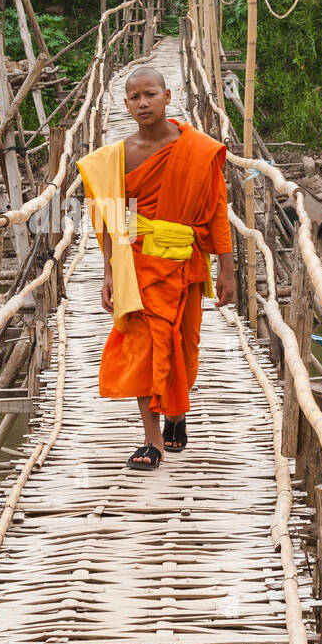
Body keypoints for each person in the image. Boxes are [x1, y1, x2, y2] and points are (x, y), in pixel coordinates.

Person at [74, 67, 237, 471]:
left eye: (150, 94)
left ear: (168, 96)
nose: (142, 103)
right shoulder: (117, 157)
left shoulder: (200, 150)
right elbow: (113, 219)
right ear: (125, 104)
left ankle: (176, 415)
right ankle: (152, 440)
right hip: (139, 264)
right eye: (134, 97)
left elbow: (217, 211)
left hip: (185, 263)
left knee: (182, 348)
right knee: (144, 348)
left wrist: (228, 269)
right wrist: (109, 272)